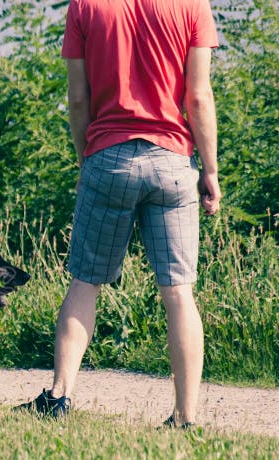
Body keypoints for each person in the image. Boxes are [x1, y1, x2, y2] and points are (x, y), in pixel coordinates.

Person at [17, 0, 222, 428]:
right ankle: (185, 417)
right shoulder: (193, 6)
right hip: (172, 162)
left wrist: (84, 158)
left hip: (108, 158)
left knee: (86, 283)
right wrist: (211, 170)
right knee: (179, 292)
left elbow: (78, 97)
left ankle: (58, 396)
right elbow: (198, 97)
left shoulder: (85, 6)